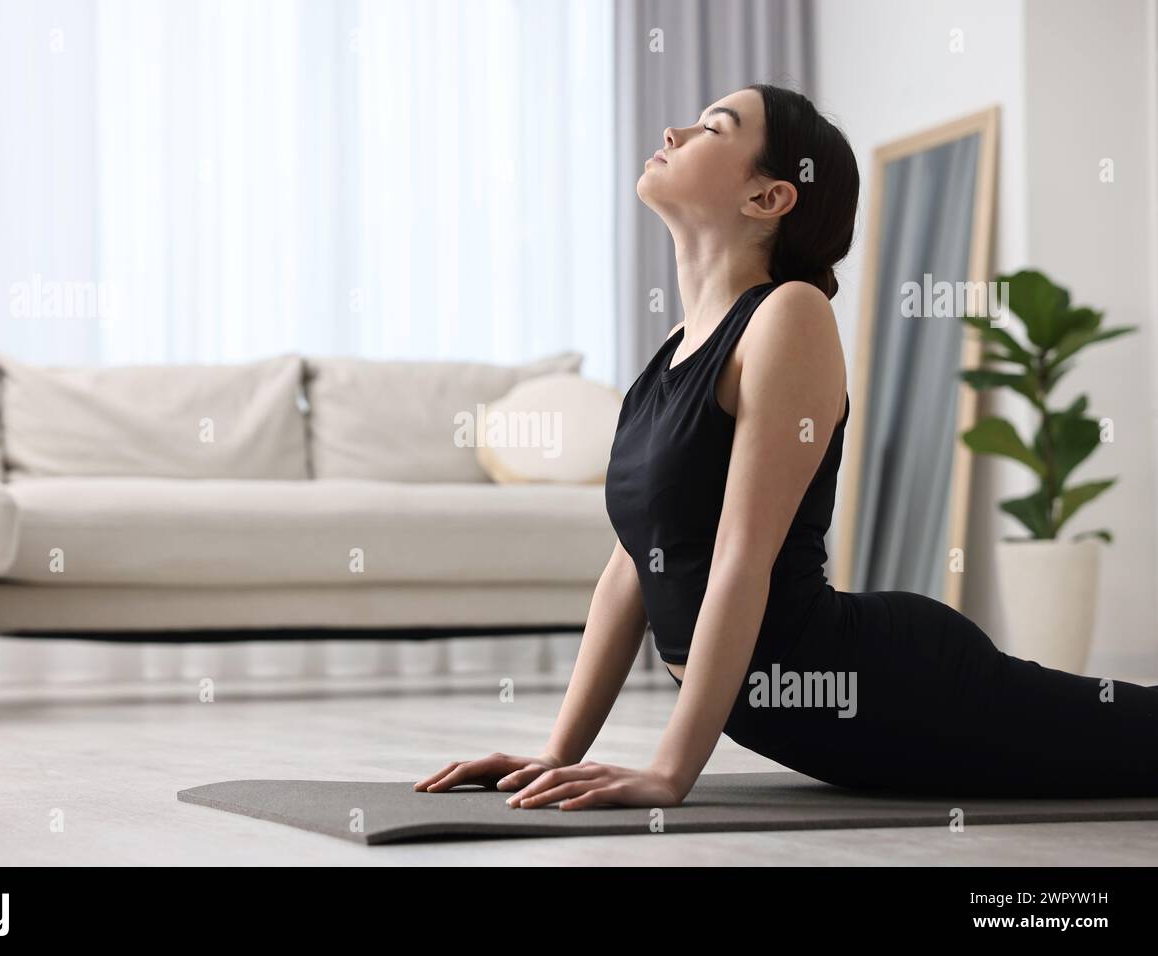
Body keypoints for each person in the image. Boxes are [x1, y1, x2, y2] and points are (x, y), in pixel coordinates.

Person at [415, 84, 1158, 808]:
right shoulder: (674, 348)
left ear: (769, 197)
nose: (673, 134)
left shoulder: (789, 316)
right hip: (815, 721)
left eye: (713, 127)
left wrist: (669, 773)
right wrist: (556, 754)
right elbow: (629, 567)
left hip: (886, 685)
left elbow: (744, 556)